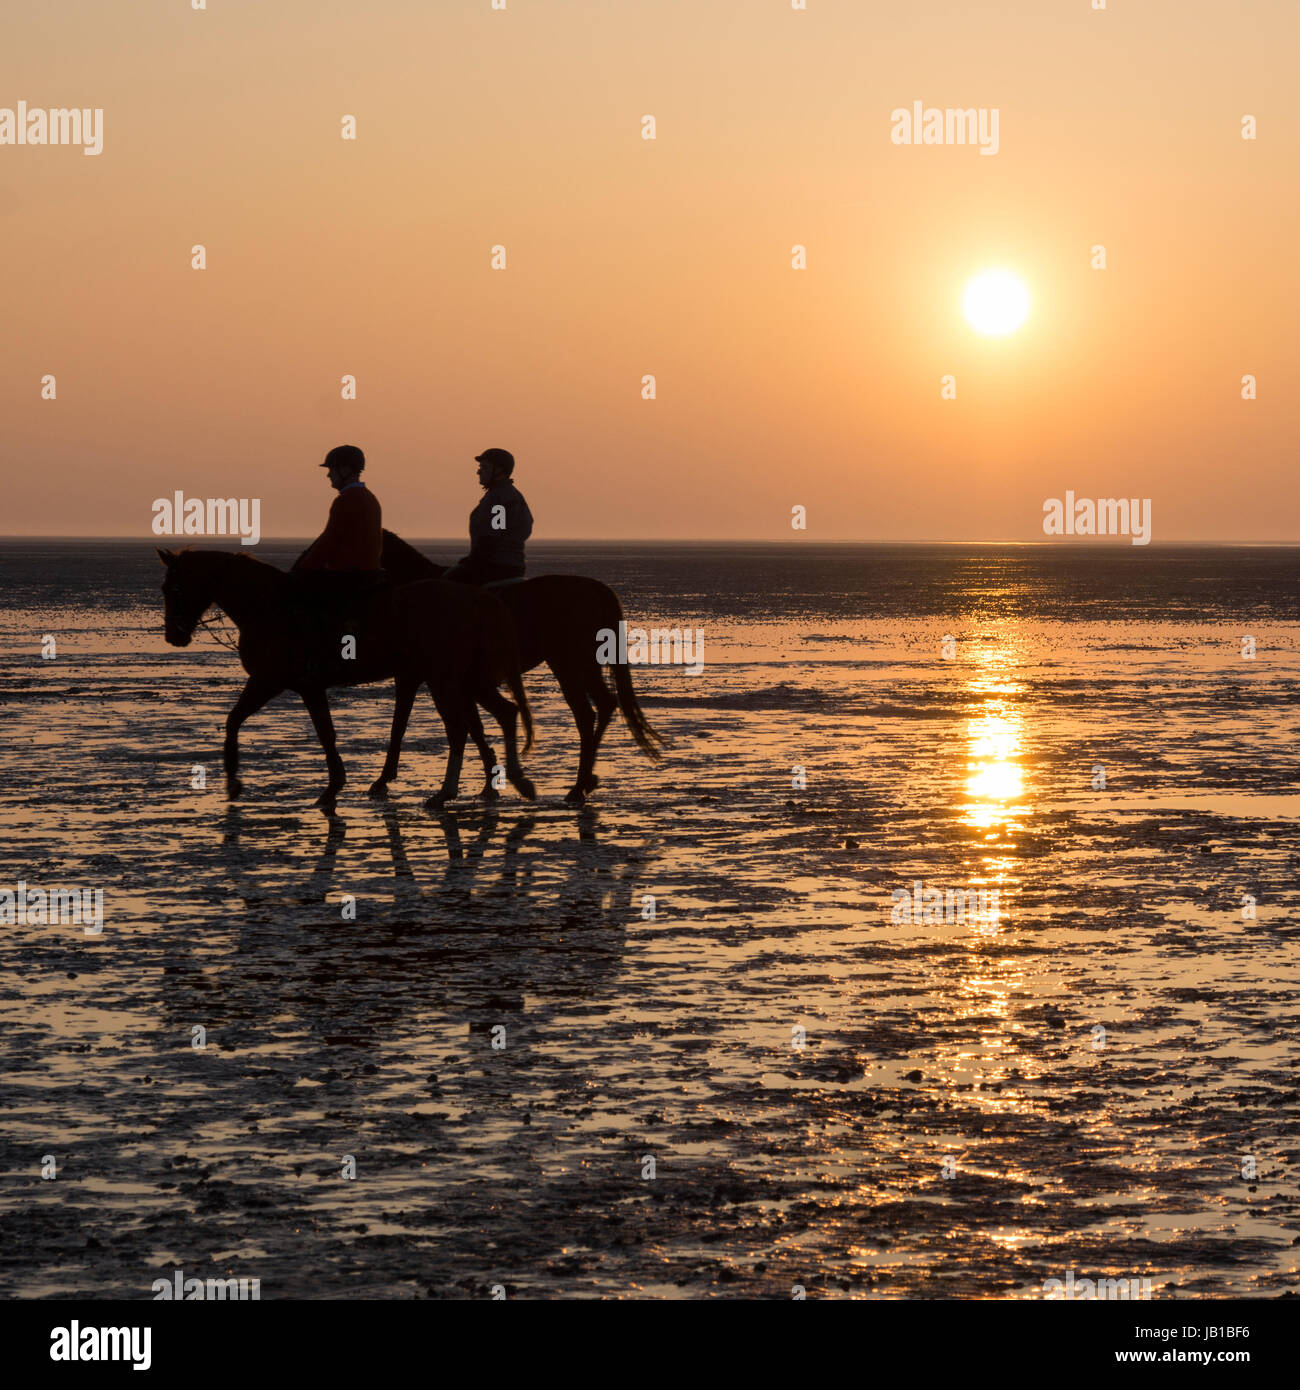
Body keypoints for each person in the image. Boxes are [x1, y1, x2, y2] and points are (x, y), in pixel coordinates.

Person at [293, 444, 384, 676]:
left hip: (348, 574)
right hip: (365, 572)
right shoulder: (367, 497)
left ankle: (331, 658)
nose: (328, 474)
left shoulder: (347, 500)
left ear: (345, 470)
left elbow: (329, 541)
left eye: (332, 469)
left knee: (309, 607)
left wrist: (304, 568)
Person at [443, 448, 533, 585]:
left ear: (499, 470)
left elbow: (493, 534)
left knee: (446, 584)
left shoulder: (500, 498)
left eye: (484, 467)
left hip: (496, 566)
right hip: (508, 564)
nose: (478, 471)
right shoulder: (505, 495)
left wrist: (473, 560)